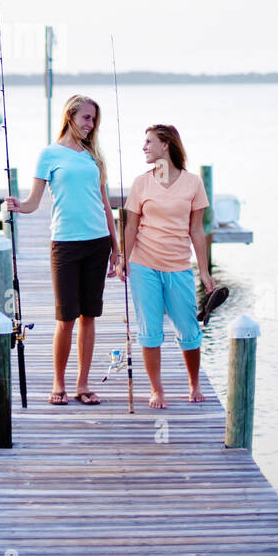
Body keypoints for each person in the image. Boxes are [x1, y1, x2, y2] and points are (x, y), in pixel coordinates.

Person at [5, 95, 120, 405]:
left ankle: (83, 385)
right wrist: (18, 206)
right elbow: (32, 202)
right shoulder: (49, 155)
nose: (90, 124)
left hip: (97, 244)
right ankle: (59, 384)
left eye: (94, 119)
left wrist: (116, 249)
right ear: (70, 116)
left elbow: (106, 205)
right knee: (65, 317)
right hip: (65, 245)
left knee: (89, 316)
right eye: (86, 118)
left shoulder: (93, 157)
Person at [116, 124, 216, 407]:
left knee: (188, 329)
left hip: (179, 267)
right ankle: (156, 389)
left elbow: (196, 230)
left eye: (149, 142)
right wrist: (124, 258)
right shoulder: (141, 183)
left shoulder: (193, 183)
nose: (144, 147)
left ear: (166, 145)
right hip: (144, 266)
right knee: (149, 330)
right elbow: (131, 225)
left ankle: (194, 382)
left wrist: (204, 271)